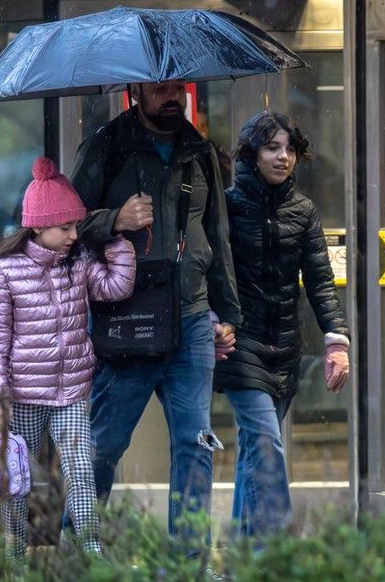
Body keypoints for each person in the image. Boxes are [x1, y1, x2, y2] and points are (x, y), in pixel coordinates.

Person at [70, 79, 241, 539]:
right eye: (159, 89)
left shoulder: (198, 150)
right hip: (128, 320)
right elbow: (65, 228)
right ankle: (74, 550)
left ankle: (187, 570)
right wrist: (114, 220)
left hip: (191, 319)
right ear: (135, 92)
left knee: (195, 444)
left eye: (177, 89)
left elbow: (217, 237)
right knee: (105, 443)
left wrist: (228, 316)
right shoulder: (105, 146)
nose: (172, 97)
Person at [0, 157, 135, 560]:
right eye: (66, 227)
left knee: (81, 470)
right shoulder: (5, 273)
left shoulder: (77, 265)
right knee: (16, 478)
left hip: (71, 393)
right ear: (39, 225)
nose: (73, 235)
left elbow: (114, 287)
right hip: (23, 397)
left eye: (76, 226)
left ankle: (89, 546)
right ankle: (15, 550)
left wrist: (119, 242)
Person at [214, 111, 349, 540]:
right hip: (241, 345)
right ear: (252, 154)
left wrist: (336, 342)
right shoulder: (227, 207)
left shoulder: (303, 210)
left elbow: (320, 280)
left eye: (289, 148)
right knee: (268, 445)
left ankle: (242, 553)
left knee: (256, 451)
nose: (283, 157)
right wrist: (218, 320)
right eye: (273, 147)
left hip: (285, 347)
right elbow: (211, 271)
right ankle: (278, 557)